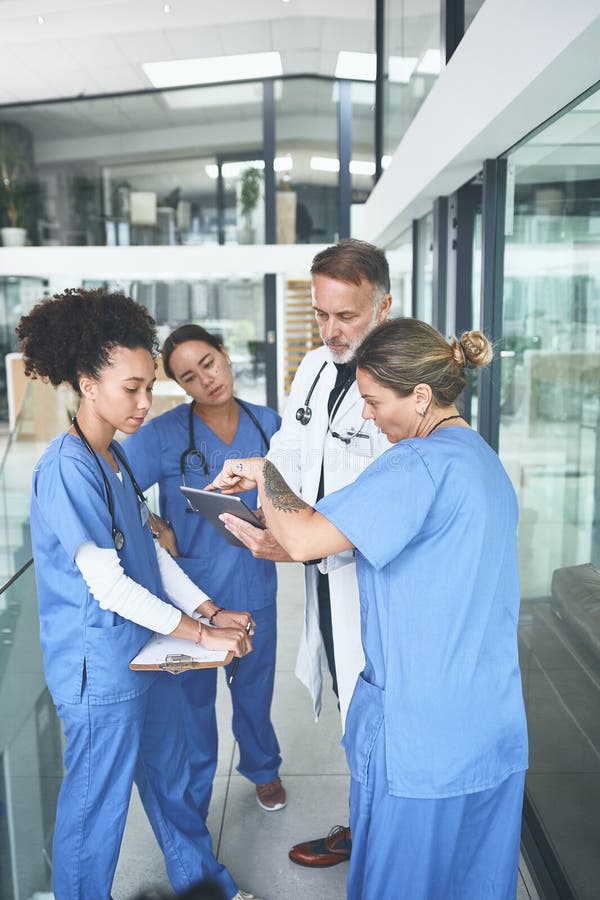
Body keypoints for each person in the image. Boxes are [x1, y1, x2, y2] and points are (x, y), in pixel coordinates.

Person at [209, 318, 529, 900]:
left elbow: (305, 538)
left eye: (374, 401)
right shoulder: (482, 461)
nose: (366, 416)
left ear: (423, 396)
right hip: (490, 729)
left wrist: (263, 472)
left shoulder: (414, 464)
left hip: (422, 740)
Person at [17, 289, 259, 900]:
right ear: (86, 382)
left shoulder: (114, 458)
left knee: (171, 784)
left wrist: (209, 608)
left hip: (143, 655)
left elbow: (147, 553)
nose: (146, 402)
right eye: (132, 388)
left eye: (150, 386)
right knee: (95, 815)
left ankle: (211, 889)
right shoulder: (66, 467)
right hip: (99, 670)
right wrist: (202, 634)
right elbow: (109, 584)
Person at [226, 238, 391, 865]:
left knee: (374, 706)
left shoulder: (403, 381)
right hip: (322, 571)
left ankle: (381, 844)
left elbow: (385, 495)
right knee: (352, 705)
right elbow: (291, 449)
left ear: (383, 306)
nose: (330, 330)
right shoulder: (317, 367)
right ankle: (366, 823)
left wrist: (295, 539)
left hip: (370, 575)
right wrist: (256, 477)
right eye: (321, 314)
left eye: (344, 316)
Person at [123, 324, 285, 816]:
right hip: (193, 593)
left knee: (254, 689)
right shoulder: (167, 434)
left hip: (254, 583)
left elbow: (299, 493)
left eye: (209, 364)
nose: (206, 381)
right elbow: (114, 484)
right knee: (194, 703)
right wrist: (155, 524)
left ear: (225, 355)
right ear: (180, 386)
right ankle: (196, 788)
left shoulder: (270, 426)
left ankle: (263, 768)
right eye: (188, 377)